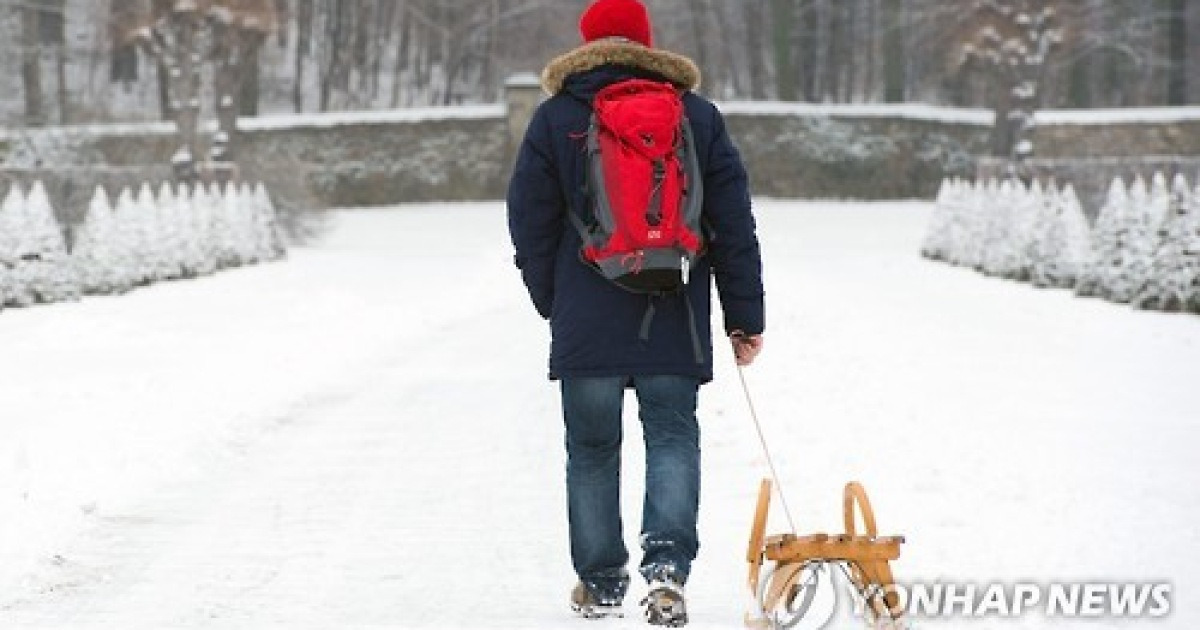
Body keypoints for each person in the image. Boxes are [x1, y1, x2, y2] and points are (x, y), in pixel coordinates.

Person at [506, 0, 765, 625]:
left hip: (585, 316)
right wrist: (744, 316)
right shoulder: (695, 116)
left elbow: (528, 220)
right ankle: (667, 573)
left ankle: (600, 584)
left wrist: (555, 301)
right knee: (672, 437)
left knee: (592, 449)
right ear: (647, 43)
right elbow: (732, 223)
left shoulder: (557, 116)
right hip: (673, 311)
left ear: (586, 44)